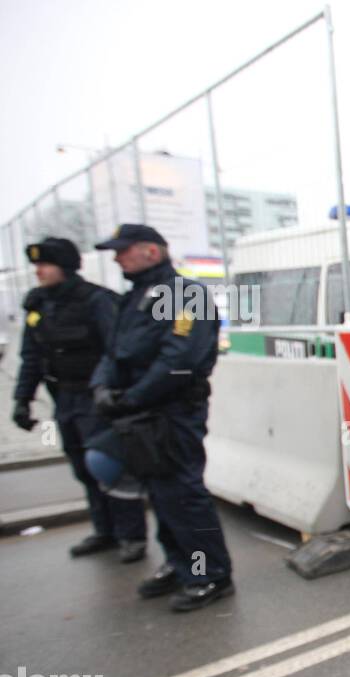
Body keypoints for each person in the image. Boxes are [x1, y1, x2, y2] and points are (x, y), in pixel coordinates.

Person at [90, 224, 234, 612]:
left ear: (151, 251)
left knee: (184, 494)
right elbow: (112, 354)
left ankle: (209, 573)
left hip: (172, 413)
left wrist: (131, 398)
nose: (117, 257)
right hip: (139, 413)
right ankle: (180, 562)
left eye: (123, 250)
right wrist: (102, 388)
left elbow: (180, 362)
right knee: (160, 494)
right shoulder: (133, 298)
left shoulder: (185, 295)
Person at [12, 237, 146, 562]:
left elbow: (117, 351)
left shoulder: (96, 301)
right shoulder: (39, 305)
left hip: (96, 397)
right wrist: (22, 400)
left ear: (65, 267)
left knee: (108, 466)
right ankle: (105, 531)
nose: (38, 271)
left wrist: (115, 394)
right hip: (65, 398)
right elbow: (31, 357)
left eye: (45, 264)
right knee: (81, 466)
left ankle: (131, 535)